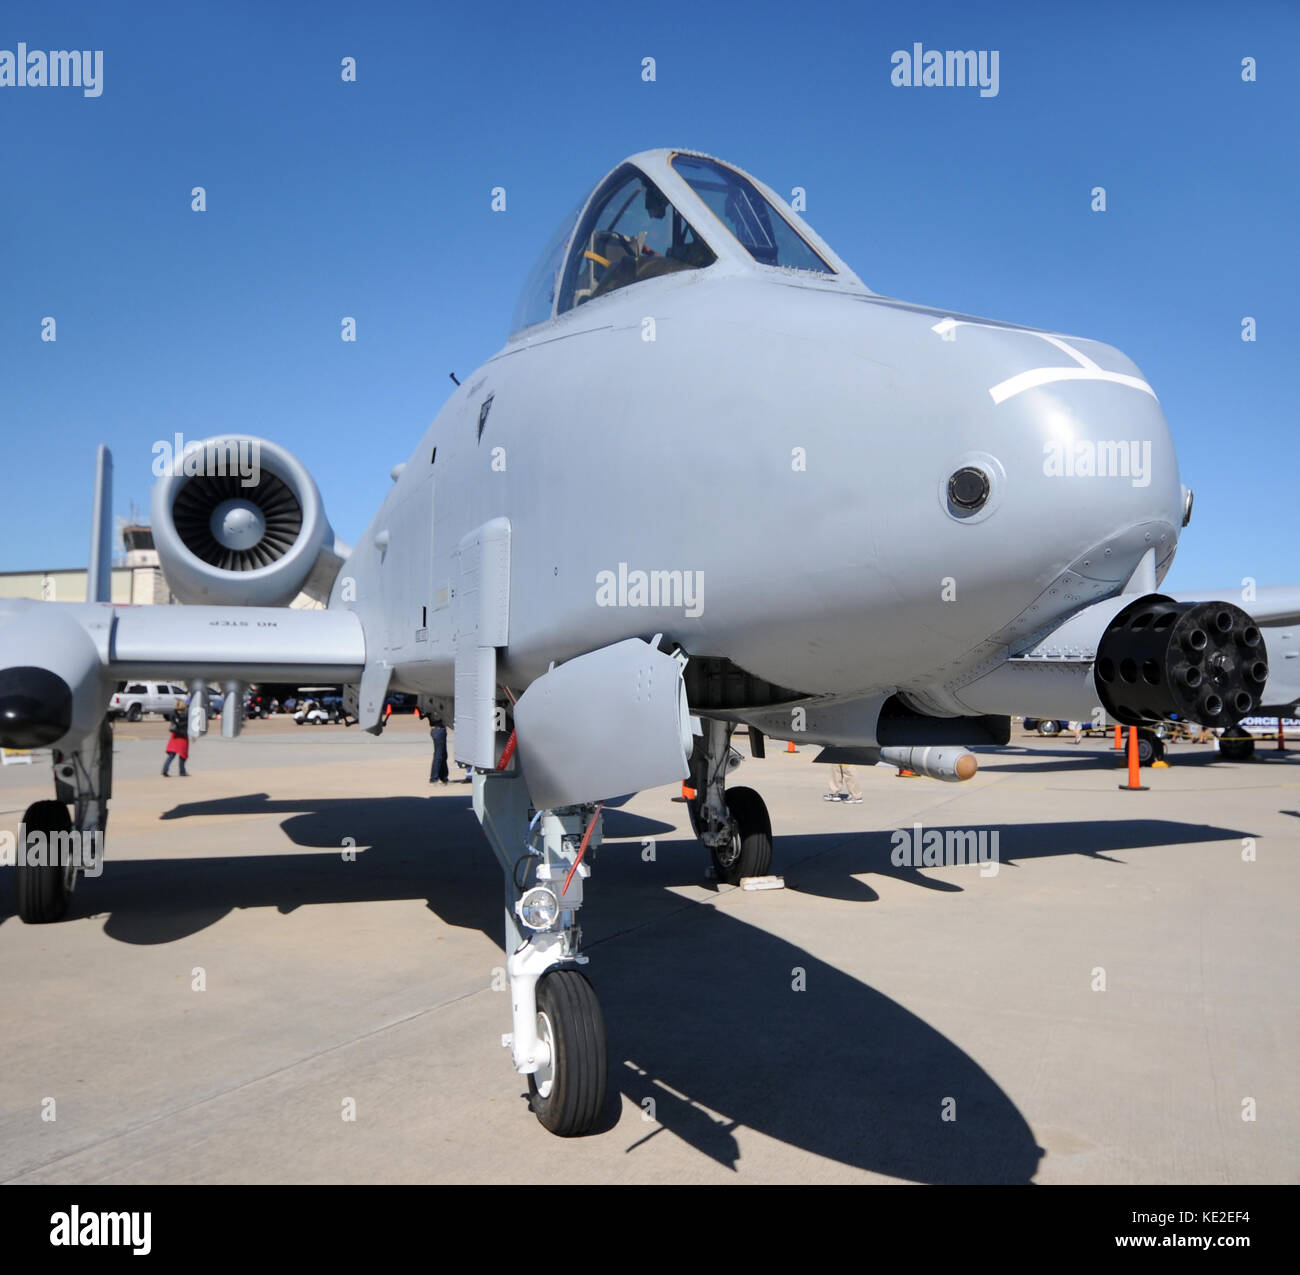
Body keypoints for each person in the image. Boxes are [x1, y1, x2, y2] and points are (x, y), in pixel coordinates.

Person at [161, 699, 190, 777]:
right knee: (182, 755)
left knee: (172, 754)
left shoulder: (173, 714)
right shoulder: (186, 715)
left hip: (174, 736)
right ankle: (182, 771)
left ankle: (165, 769)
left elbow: (171, 716)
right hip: (182, 736)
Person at [429, 717, 449, 784]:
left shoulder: (430, 709)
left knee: (443, 754)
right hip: (439, 730)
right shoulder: (437, 711)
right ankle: (434, 777)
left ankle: (443, 776)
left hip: (436, 730)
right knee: (438, 755)